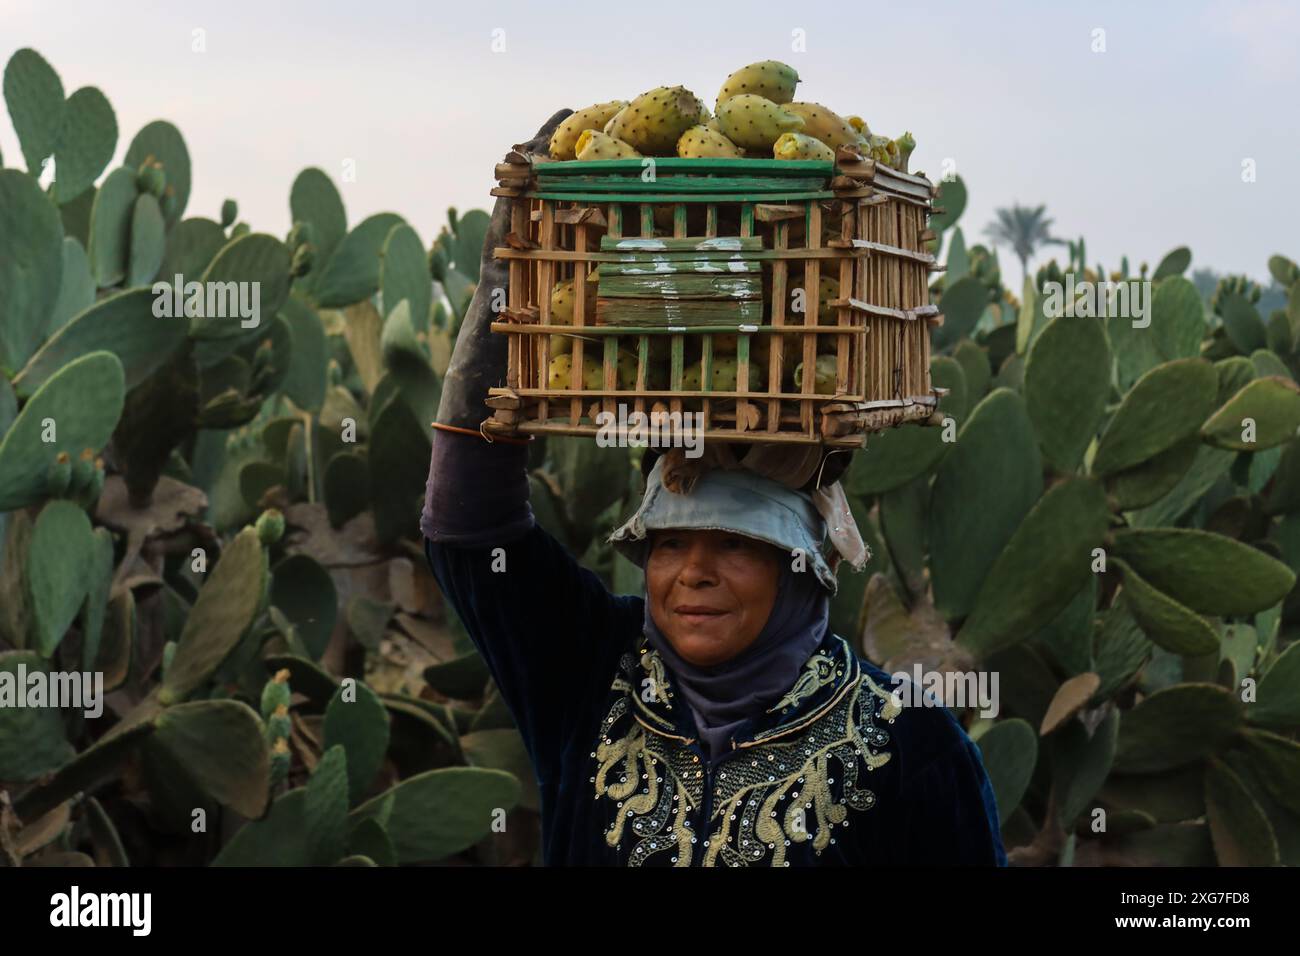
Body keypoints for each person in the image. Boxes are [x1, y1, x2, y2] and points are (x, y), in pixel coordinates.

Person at [420, 111, 1008, 868]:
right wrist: (505, 286)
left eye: (736, 543)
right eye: (668, 544)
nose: (693, 572)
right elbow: (470, 533)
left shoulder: (909, 744)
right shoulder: (593, 675)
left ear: (803, 564)